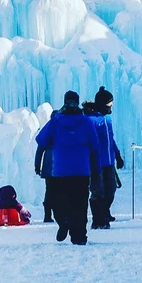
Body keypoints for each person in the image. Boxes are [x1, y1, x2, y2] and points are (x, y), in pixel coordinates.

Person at [34, 90, 100, 245]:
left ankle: (64, 221)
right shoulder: (86, 122)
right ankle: (79, 236)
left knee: (59, 201)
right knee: (80, 203)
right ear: (77, 102)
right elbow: (95, 148)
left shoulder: (56, 121)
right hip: (81, 171)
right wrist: (96, 170)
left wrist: (37, 164)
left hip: (60, 170)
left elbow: (41, 142)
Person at [88, 86, 124, 229]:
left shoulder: (107, 119)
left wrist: (118, 154)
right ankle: (98, 219)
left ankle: (104, 213)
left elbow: (111, 140)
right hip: (96, 163)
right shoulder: (91, 120)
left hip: (109, 161)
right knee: (98, 191)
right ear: (102, 104)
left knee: (111, 190)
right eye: (109, 104)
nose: (111, 106)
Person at [34, 109, 59, 222]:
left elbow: (40, 150)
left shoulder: (48, 129)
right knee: (62, 190)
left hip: (49, 165)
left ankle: (47, 215)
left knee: (49, 190)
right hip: (62, 166)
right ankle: (60, 215)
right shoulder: (64, 128)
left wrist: (37, 166)